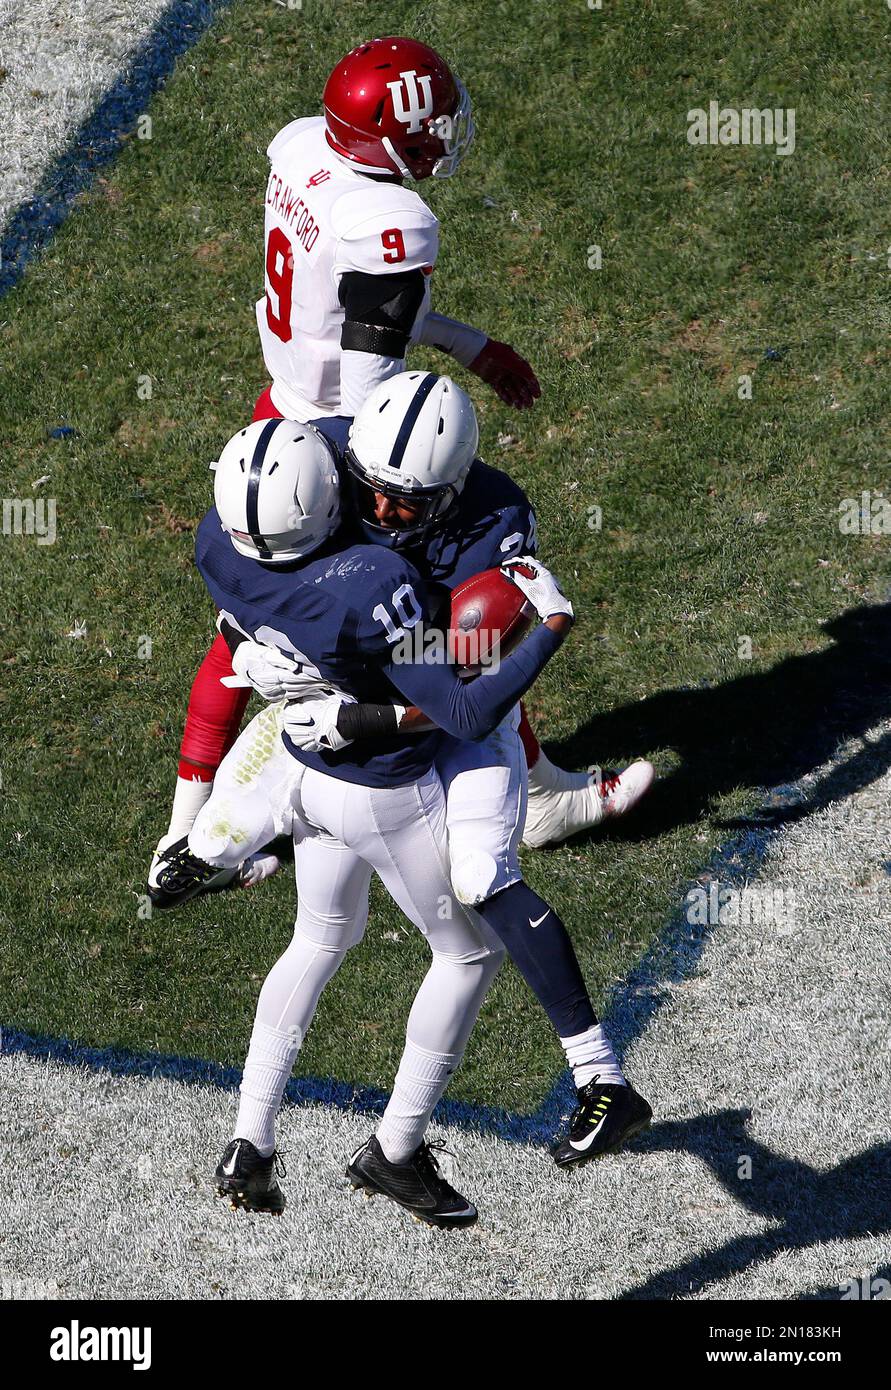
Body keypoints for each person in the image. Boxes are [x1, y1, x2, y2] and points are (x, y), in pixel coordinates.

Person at [148, 36, 614, 900]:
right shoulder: (393, 221)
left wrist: (471, 345)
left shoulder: (300, 144)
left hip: (278, 415)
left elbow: (350, 305)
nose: (441, 135)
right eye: (428, 123)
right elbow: (370, 365)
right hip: (340, 447)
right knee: (458, 612)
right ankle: (504, 791)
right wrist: (408, 458)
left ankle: (185, 826)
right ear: (384, 133)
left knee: (241, 631)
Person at [157, 375, 654, 1170]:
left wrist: (364, 713)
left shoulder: (492, 526)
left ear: (452, 489)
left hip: (457, 712)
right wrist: (251, 644)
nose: (385, 514)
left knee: (479, 874)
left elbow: (462, 695)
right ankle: (219, 845)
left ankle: (600, 1078)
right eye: (373, 494)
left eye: (408, 504)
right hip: (364, 703)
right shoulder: (321, 464)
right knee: (312, 847)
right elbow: (264, 577)